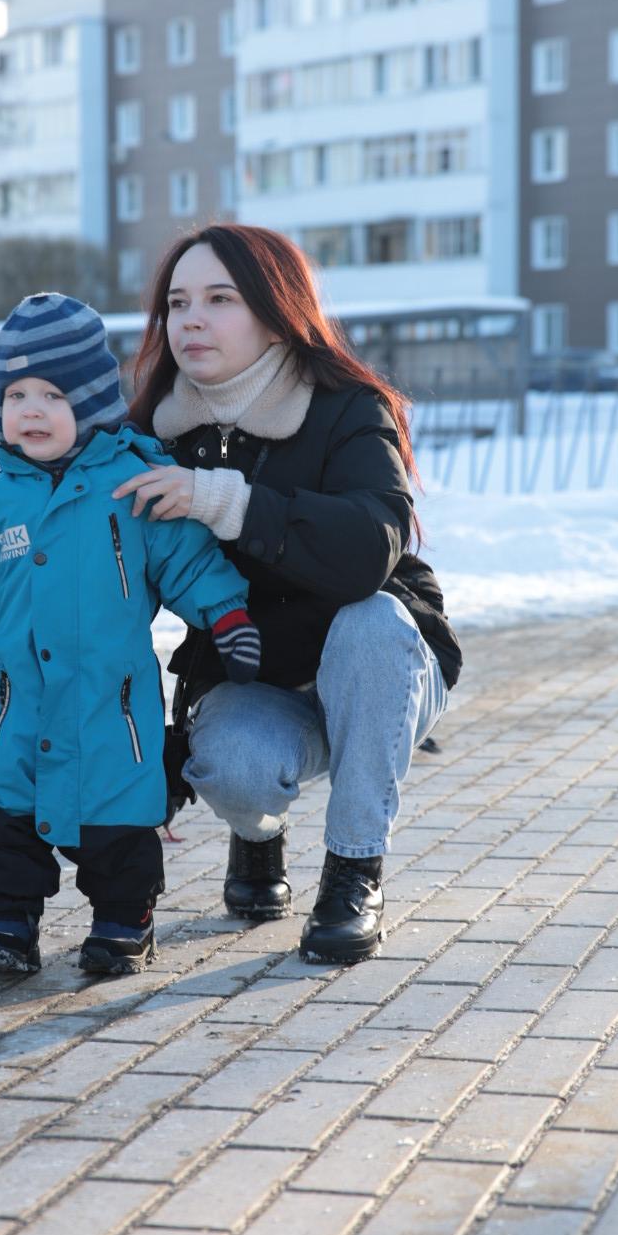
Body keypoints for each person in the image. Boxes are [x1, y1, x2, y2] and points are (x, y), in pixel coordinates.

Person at [0, 293, 260, 977]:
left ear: (89, 402)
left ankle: (124, 923)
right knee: (7, 832)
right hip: (14, 716)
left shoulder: (134, 487)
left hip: (109, 717)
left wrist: (228, 618)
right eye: (16, 394)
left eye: (51, 394)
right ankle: (5, 925)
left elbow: (188, 562)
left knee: (117, 836)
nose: (29, 409)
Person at [113, 224, 461, 965]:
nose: (191, 320)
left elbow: (371, 547)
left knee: (368, 623)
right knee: (232, 764)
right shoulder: (152, 434)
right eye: (176, 303)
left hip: (382, 664)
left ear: (275, 311)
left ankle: (353, 873)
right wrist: (3, 528)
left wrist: (225, 500)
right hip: (258, 677)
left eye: (218, 299)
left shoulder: (346, 406)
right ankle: (257, 834)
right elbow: (93, 563)